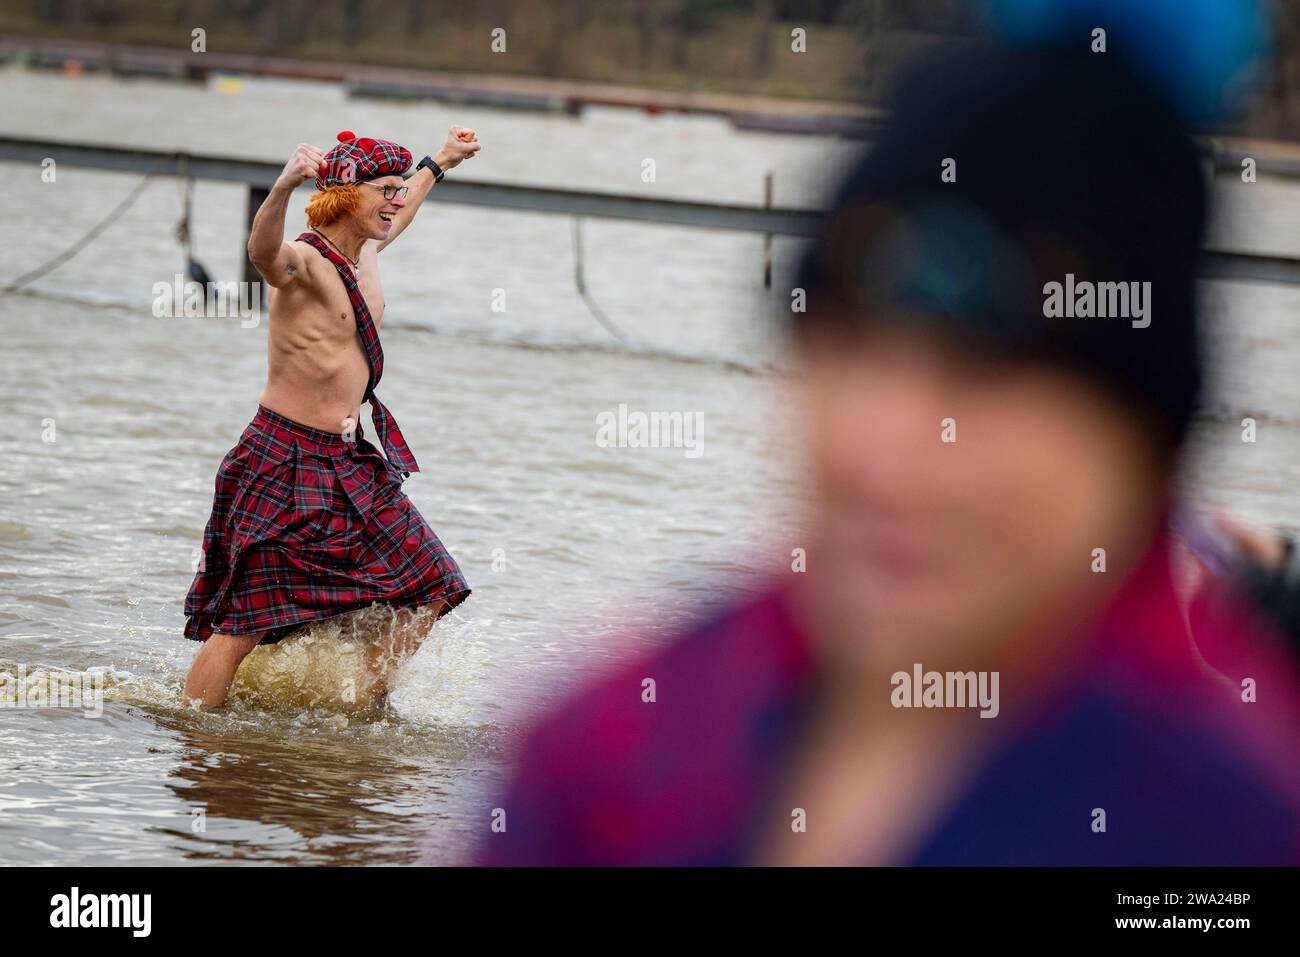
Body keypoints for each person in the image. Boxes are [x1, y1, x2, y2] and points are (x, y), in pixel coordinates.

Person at [476, 45, 1300, 865]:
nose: (887, 460)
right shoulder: (604, 750)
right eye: (848, 349)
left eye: (982, 379)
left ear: (1143, 442)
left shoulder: (1233, 825)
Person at [182, 126, 481, 710]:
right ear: (347, 193)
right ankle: (196, 733)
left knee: (432, 588)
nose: (396, 199)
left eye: (399, 189)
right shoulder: (306, 263)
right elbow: (262, 254)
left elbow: (407, 206)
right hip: (281, 456)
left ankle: (350, 715)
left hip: (349, 460)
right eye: (385, 190)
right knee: (244, 621)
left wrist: (439, 162)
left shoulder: (364, 251)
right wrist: (285, 184)